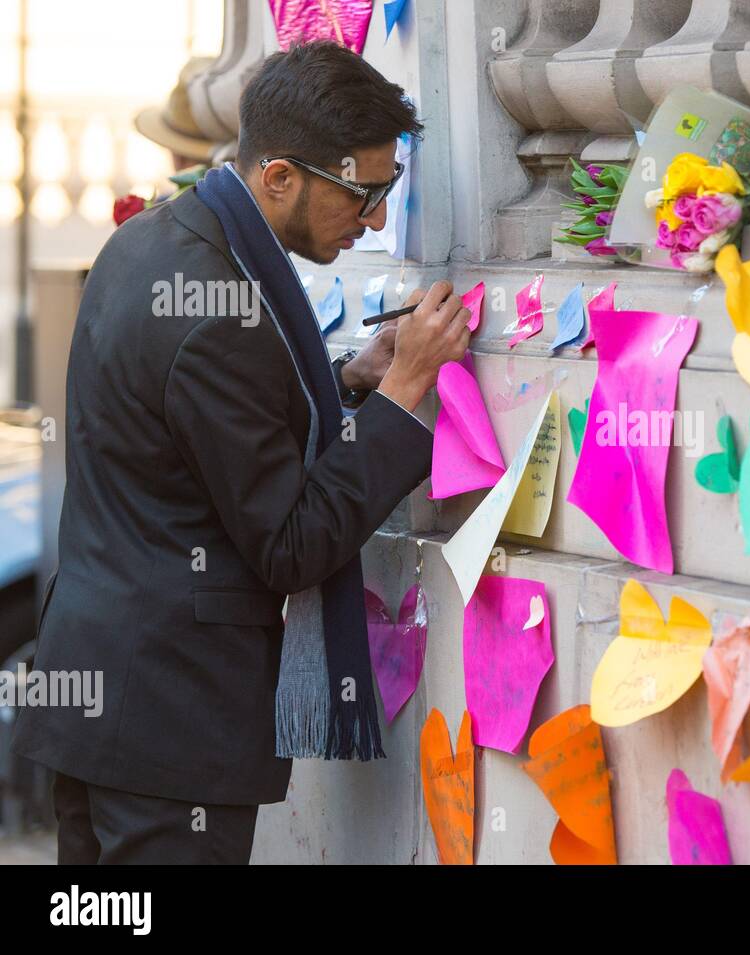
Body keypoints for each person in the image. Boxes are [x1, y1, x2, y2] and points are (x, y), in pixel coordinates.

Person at [9, 41, 469, 864]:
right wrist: (405, 393)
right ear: (281, 176)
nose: (373, 220)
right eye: (361, 194)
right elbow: (290, 544)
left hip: (100, 703)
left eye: (387, 190)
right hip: (167, 729)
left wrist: (352, 377)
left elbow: (196, 426)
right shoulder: (224, 312)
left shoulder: (152, 243)